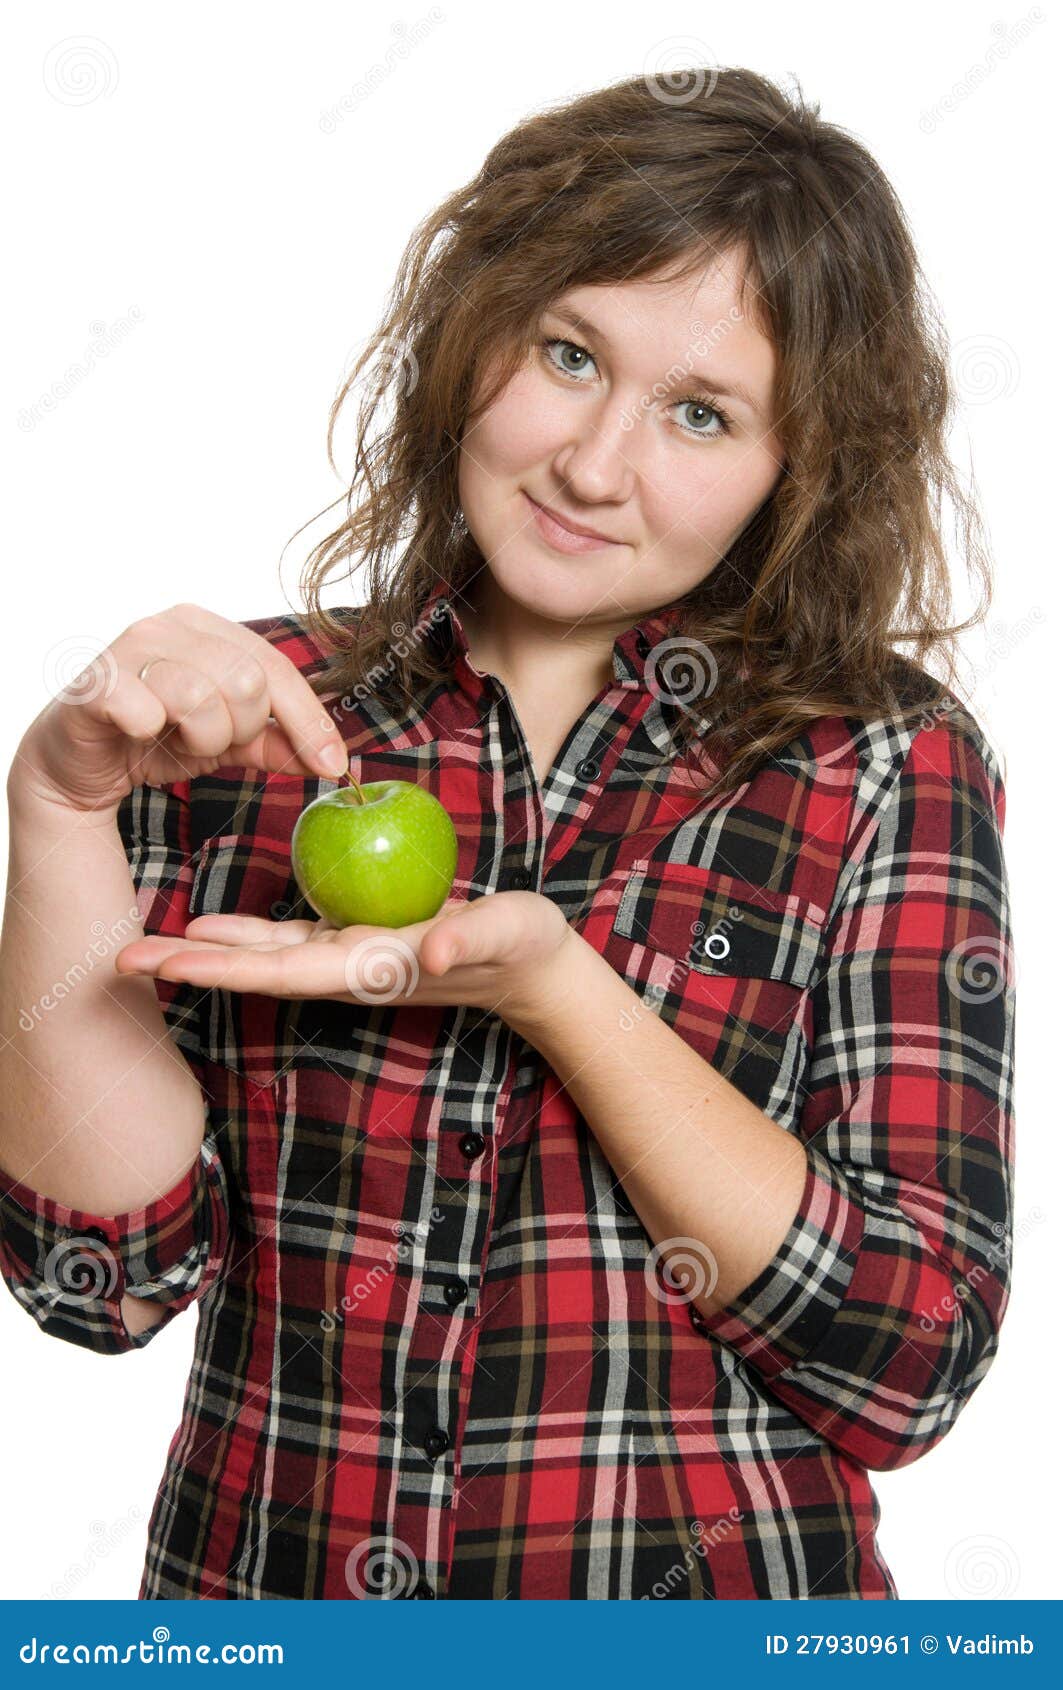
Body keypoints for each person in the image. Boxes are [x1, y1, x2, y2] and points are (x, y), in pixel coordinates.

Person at [0, 66, 1015, 1600]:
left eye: (700, 413)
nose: (594, 466)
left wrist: (557, 991)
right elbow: (104, 1283)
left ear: (796, 471)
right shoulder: (246, 718)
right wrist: (62, 811)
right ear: (475, 330)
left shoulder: (879, 759)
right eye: (568, 353)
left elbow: (908, 1357)